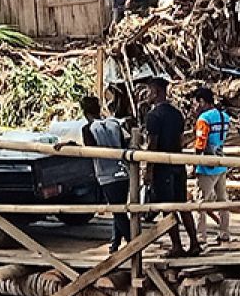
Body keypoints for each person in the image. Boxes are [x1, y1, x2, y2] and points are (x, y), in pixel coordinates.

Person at [144, 77, 200, 257]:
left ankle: (176, 245)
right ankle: (194, 242)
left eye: (150, 90)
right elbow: (180, 140)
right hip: (177, 163)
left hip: (162, 166)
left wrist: (149, 169)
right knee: (182, 205)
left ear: (157, 91)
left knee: (167, 207)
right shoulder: (177, 114)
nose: (148, 94)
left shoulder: (153, 116)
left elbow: (154, 143)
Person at [79, 96, 132, 252]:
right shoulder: (114, 123)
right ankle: (115, 243)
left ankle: (133, 242)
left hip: (106, 175)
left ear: (85, 113)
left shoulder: (88, 129)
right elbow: (125, 144)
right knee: (119, 208)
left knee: (118, 211)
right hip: (123, 171)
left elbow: (90, 151)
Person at [190, 86, 232, 247]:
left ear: (202, 101)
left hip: (207, 166)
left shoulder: (204, 119)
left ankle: (201, 235)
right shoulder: (224, 117)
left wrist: (195, 163)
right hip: (221, 162)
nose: (194, 107)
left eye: (195, 103)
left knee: (200, 202)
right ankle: (224, 232)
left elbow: (200, 144)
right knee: (223, 201)